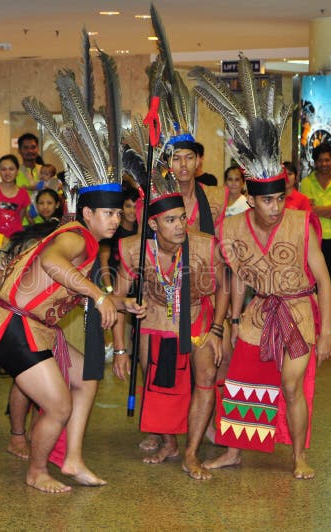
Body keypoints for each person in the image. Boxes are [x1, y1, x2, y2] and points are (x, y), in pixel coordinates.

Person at [0, 46, 145, 493]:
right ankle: (37, 471)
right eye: (107, 214)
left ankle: (74, 459)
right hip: (15, 327)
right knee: (59, 406)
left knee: (87, 378)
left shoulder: (91, 244)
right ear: (87, 213)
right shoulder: (76, 235)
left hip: (38, 328)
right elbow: (51, 262)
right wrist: (100, 296)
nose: (115, 220)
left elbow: (72, 286)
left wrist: (118, 302)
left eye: (118, 213)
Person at [190, 53, 331, 479]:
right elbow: (233, 277)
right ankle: (234, 451)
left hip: (299, 311)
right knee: (242, 381)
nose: (275, 207)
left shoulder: (301, 223)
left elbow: (324, 281)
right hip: (258, 312)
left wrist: (326, 332)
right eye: (267, 200)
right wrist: (230, 322)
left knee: (290, 385)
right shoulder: (232, 227)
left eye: (280, 199)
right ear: (250, 199)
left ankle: (299, 456)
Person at [111, 183, 226, 480]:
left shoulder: (205, 245)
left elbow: (224, 287)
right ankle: (169, 442)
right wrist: (120, 350)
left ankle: (191, 453)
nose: (179, 226)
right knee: (157, 381)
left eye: (182, 217)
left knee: (206, 377)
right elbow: (117, 300)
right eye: (170, 220)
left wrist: (217, 330)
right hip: (156, 315)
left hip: (198, 313)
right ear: (153, 224)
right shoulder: (134, 249)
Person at [300, 142, 331, 336]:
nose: (324, 164)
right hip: (313, 241)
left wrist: (318, 209)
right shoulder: (306, 183)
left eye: (327, 160)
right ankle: (314, 324)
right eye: (320, 160)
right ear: (315, 162)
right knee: (312, 284)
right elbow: (307, 211)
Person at [0, 154, 31, 237]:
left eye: (11, 169)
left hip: (15, 238)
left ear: (17, 171)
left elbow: (20, 219)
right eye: (3, 169)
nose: (7, 173)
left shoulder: (23, 194)